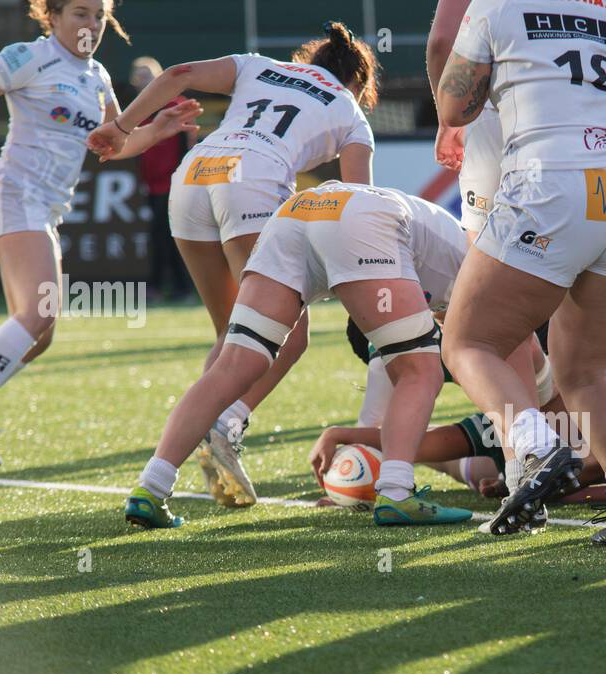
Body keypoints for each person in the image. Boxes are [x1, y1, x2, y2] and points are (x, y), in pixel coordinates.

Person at [89, 22, 378, 508]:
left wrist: (121, 128)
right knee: (290, 331)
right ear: (358, 83)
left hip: (194, 178)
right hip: (254, 183)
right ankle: (225, 425)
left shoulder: (260, 66)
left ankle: (201, 441)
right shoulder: (351, 113)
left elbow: (178, 73)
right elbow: (357, 208)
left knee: (233, 334)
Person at [436, 0, 606, 546]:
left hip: (553, 183)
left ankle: (532, 444)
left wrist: (462, 108)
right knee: (585, 372)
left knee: (468, 343)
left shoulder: (498, 7)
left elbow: (456, 105)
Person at [0, 0, 198, 472]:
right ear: (53, 16)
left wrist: (159, 128)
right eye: (80, 14)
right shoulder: (28, 56)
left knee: (39, 333)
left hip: (45, 207)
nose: (91, 25)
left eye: (98, 17)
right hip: (13, 191)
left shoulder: (100, 77)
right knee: (39, 311)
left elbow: (117, 144)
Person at [124, 182, 474, 529]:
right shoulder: (481, 284)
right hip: (360, 219)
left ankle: (151, 487)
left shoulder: (466, 262)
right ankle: (397, 494)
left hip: (295, 213)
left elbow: (386, 363)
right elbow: (507, 364)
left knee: (231, 366)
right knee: (421, 371)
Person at [129, 56, 194, 301]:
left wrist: (180, 181)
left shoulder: (177, 106)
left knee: (173, 236)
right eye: (139, 76)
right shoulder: (137, 111)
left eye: (147, 75)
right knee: (156, 237)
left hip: (174, 185)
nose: (142, 80)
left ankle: (182, 287)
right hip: (153, 186)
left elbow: (186, 147)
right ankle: (157, 287)